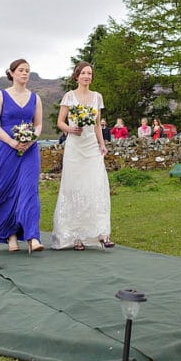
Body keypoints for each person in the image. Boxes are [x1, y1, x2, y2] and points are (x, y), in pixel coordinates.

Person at [0, 58, 45, 254]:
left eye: (27, 70)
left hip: (30, 150)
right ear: (11, 73)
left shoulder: (35, 98)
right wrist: (12, 142)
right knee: (7, 190)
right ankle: (11, 235)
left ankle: (32, 236)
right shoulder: (1, 95)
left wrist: (31, 139)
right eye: (21, 70)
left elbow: (38, 125)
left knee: (29, 190)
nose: (25, 73)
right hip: (7, 148)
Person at [51, 61, 114, 251]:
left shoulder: (97, 97)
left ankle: (102, 233)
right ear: (77, 76)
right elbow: (60, 122)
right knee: (75, 187)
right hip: (74, 147)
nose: (87, 76)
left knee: (96, 185)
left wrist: (102, 145)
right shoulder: (69, 96)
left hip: (91, 147)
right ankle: (76, 236)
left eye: (90, 73)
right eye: (84, 73)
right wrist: (71, 129)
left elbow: (96, 125)